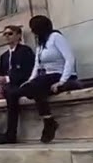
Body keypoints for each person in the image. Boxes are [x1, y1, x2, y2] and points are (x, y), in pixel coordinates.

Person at [6, 15, 77, 143]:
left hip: (60, 74)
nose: (32, 31)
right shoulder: (41, 42)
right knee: (14, 93)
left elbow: (69, 59)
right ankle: (10, 133)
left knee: (35, 87)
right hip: (46, 76)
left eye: (34, 28)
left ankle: (48, 120)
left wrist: (62, 80)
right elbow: (37, 64)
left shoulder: (56, 37)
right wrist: (30, 79)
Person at [0, 24, 35, 145]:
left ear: (18, 35)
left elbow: (28, 72)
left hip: (20, 84)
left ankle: (10, 134)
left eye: (10, 34)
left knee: (11, 94)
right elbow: (1, 74)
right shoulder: (4, 56)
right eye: (5, 34)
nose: (7, 36)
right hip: (6, 86)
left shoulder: (25, 51)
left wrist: (7, 79)